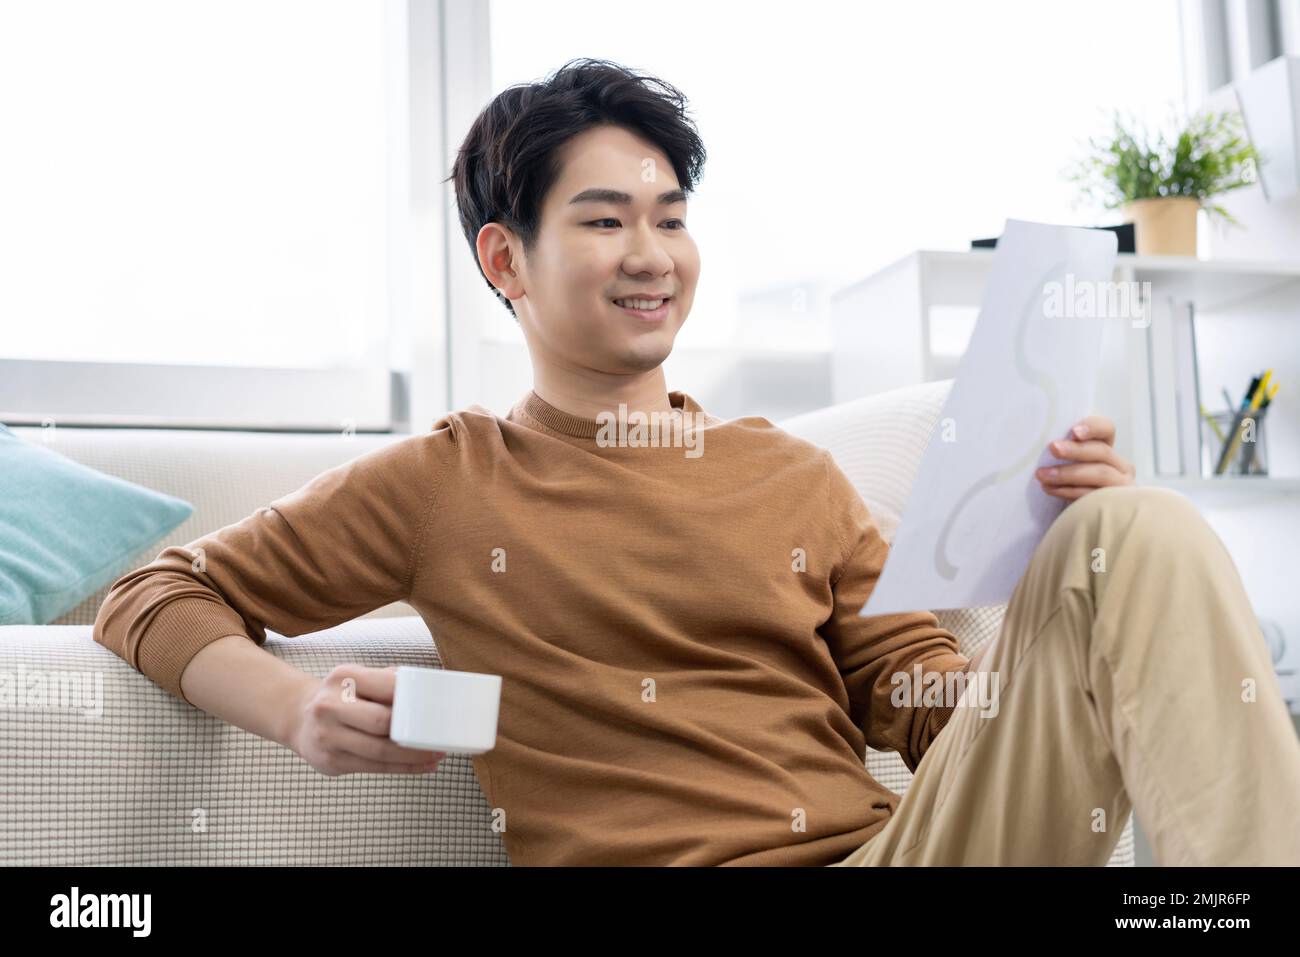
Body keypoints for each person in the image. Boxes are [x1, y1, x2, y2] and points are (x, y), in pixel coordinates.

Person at [94, 58, 1300, 866]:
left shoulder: (791, 477)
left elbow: (928, 714)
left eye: (670, 216)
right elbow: (154, 592)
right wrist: (296, 705)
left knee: (1131, 527)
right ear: (506, 261)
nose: (652, 252)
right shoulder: (446, 483)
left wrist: (1052, 574)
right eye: (605, 218)